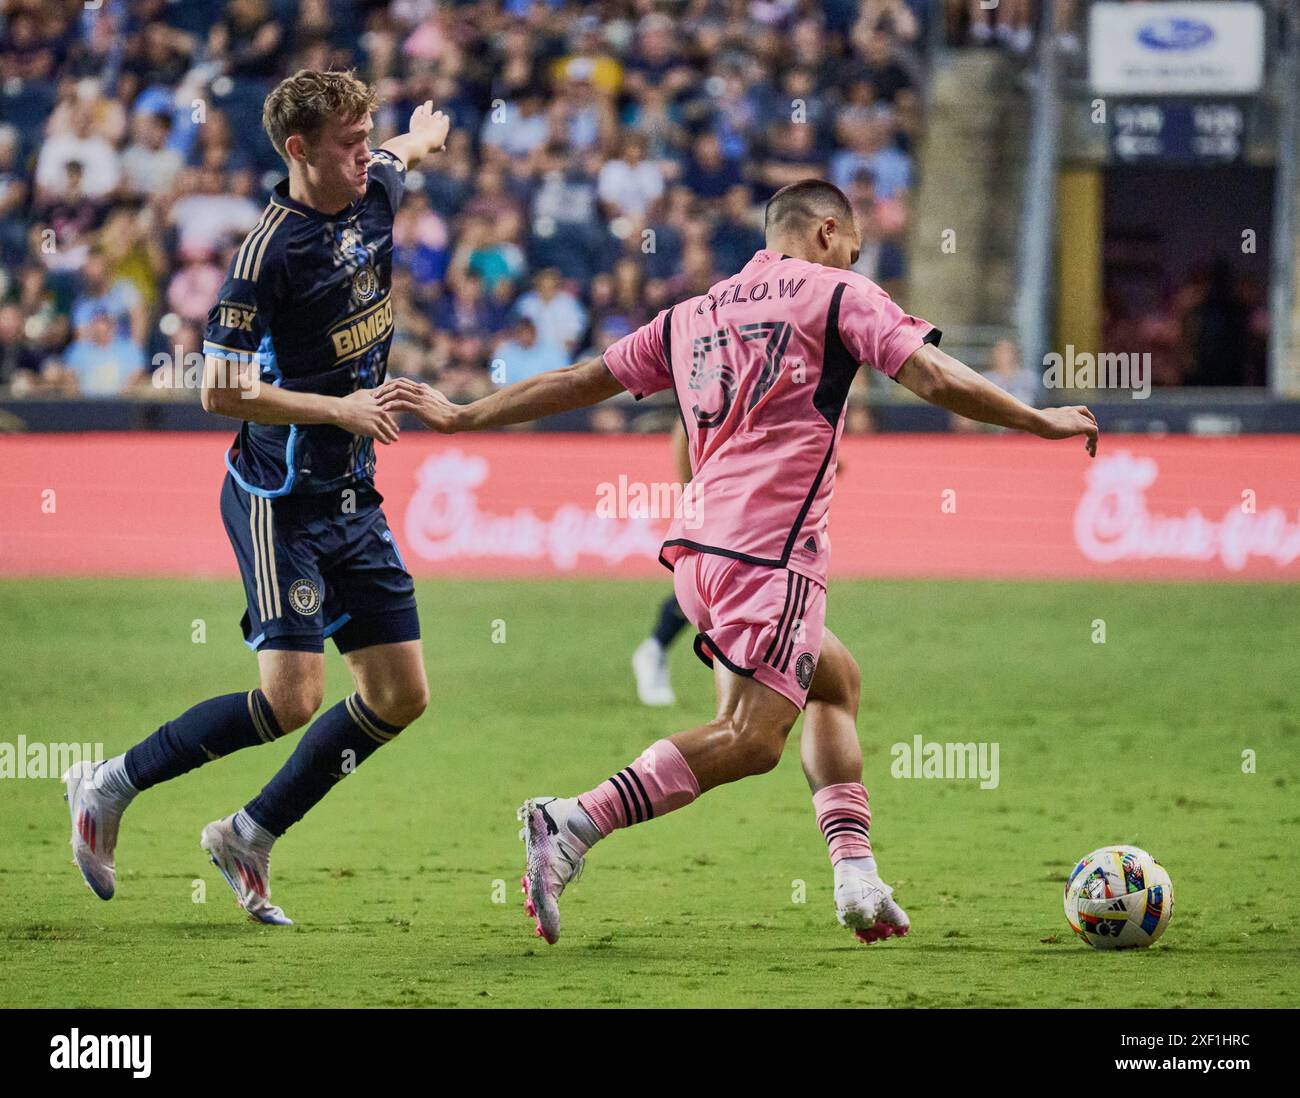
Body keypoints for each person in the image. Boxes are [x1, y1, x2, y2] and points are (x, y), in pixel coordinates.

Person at [375, 178, 1098, 945]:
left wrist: (466, 414)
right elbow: (932, 376)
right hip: (771, 554)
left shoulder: (694, 313)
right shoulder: (838, 294)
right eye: (851, 246)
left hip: (698, 558)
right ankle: (572, 823)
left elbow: (582, 380)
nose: (853, 259)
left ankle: (855, 874)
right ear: (826, 233)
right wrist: (1034, 418)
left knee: (835, 681)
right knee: (751, 740)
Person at [62, 70, 450, 926]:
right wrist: (337, 407)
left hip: (353, 492)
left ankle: (248, 832)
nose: (367, 157)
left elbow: (401, 152)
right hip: (280, 498)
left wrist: (423, 133)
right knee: (291, 699)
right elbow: (219, 391)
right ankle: (106, 783)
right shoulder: (265, 253)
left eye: (369, 139)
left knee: (400, 695)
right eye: (350, 146)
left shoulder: (372, 184)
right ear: (298, 150)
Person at [630, 419, 691, 706]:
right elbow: (685, 430)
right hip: (719, 500)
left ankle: (654, 649)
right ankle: (654, 650)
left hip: (761, 500)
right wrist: (690, 492)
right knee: (709, 588)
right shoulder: (728, 382)